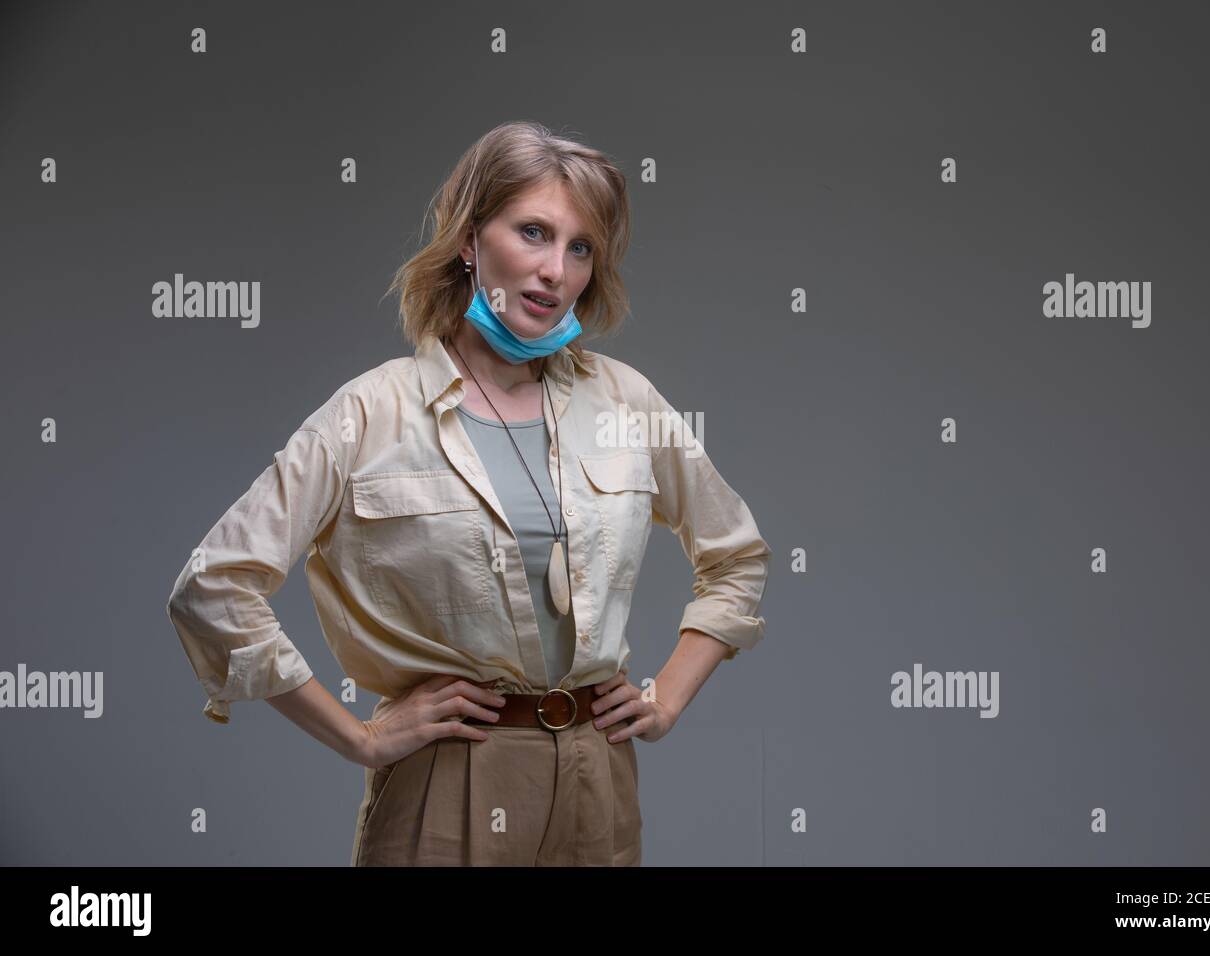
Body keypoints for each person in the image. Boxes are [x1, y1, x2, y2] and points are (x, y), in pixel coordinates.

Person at [164, 120, 772, 866]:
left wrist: (667, 695)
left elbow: (735, 558)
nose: (555, 269)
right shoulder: (370, 412)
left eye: (580, 247)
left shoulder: (627, 404)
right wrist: (359, 737)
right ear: (469, 238)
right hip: (448, 778)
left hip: (598, 774)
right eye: (533, 232)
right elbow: (212, 587)